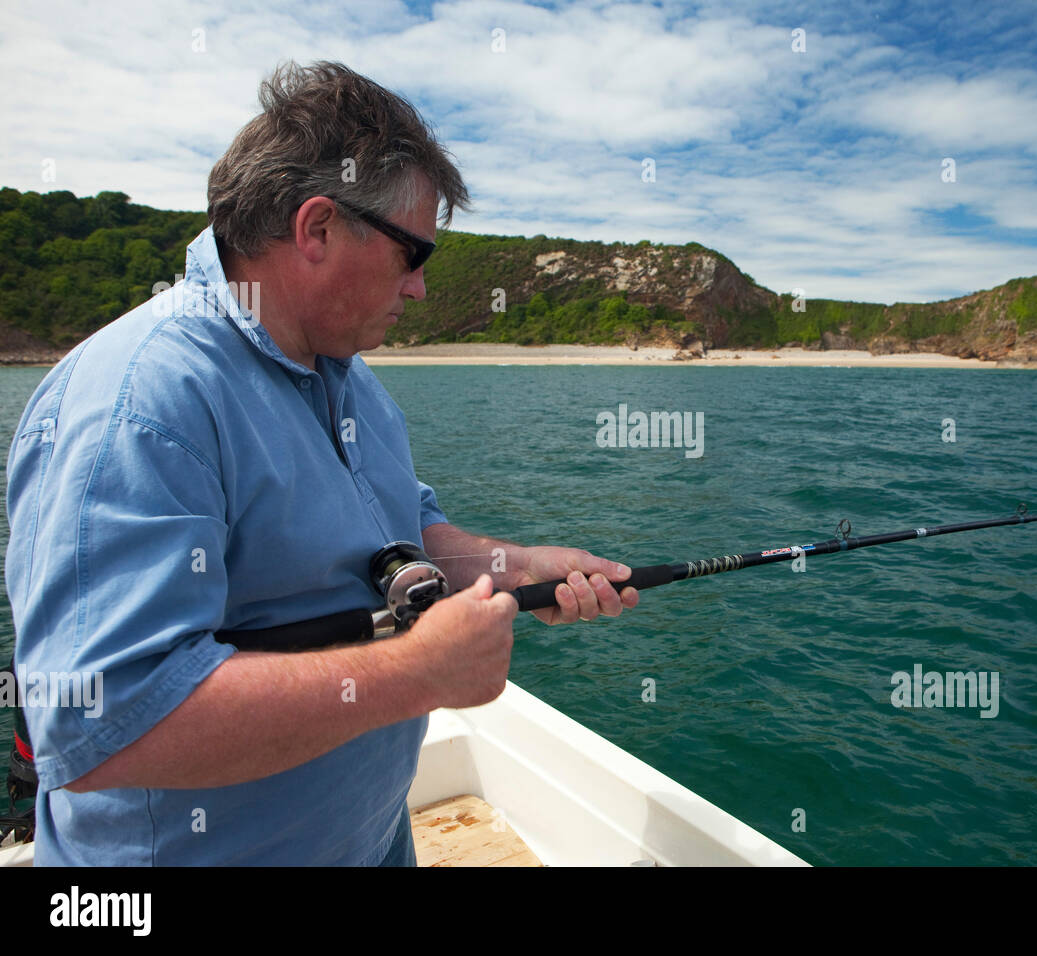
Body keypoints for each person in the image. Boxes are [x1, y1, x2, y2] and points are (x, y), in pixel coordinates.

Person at [3, 60, 637, 866]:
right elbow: (101, 721)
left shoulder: (350, 379)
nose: (420, 289)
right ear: (318, 228)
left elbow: (404, 532)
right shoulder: (138, 401)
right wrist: (417, 673)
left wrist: (514, 566)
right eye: (414, 254)